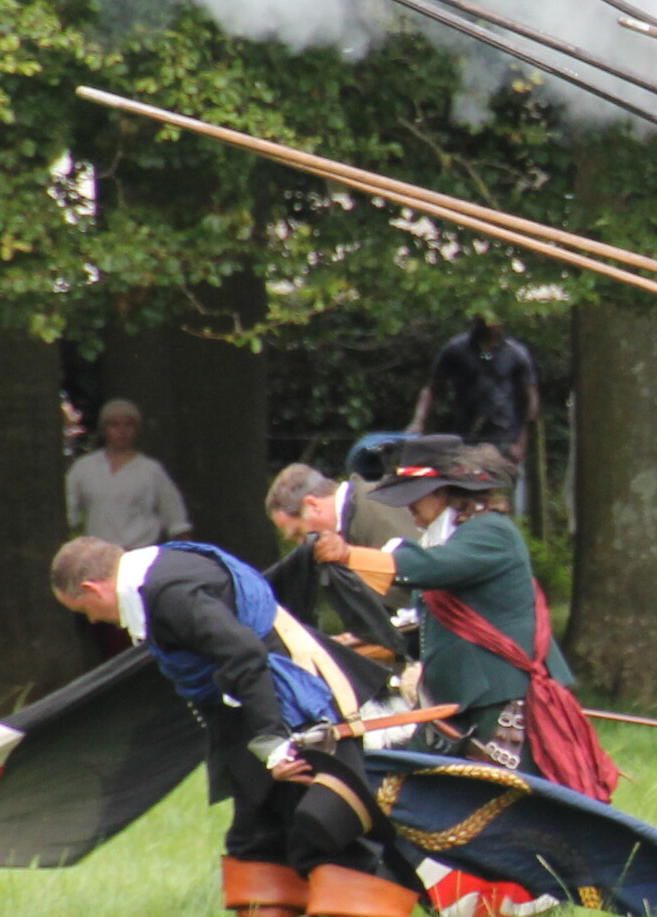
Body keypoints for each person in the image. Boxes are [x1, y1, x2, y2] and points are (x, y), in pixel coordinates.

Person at [47, 533, 412, 917]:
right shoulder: (165, 568)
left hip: (293, 717)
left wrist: (274, 744)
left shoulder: (169, 593)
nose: (93, 621)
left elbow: (244, 655)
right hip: (257, 719)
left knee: (332, 834)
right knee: (258, 839)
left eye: (85, 610)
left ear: (92, 589)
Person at [318, 440, 615, 802]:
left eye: (416, 495)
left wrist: (348, 556)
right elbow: (424, 631)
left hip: (501, 702)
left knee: (508, 812)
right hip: (457, 705)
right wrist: (345, 648)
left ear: (444, 493)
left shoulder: (491, 532)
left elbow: (429, 568)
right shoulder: (447, 539)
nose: (409, 506)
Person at [411, 316, 542, 469]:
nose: (489, 326)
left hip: (504, 438)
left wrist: (520, 444)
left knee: (499, 479)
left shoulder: (515, 353)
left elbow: (531, 402)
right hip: (464, 434)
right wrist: (418, 421)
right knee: (464, 478)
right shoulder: (455, 349)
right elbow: (432, 388)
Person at [64, 399, 192, 551]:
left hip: (140, 552)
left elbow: (176, 517)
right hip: (99, 555)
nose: (122, 431)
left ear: (136, 429)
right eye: (114, 425)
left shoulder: (151, 470)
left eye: (128, 425)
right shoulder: (84, 468)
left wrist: (186, 553)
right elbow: (67, 512)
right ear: (104, 429)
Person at [263, 461, 423, 551]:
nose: (301, 544)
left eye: (299, 533)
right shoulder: (358, 510)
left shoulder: (373, 511)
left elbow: (413, 584)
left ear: (313, 505)